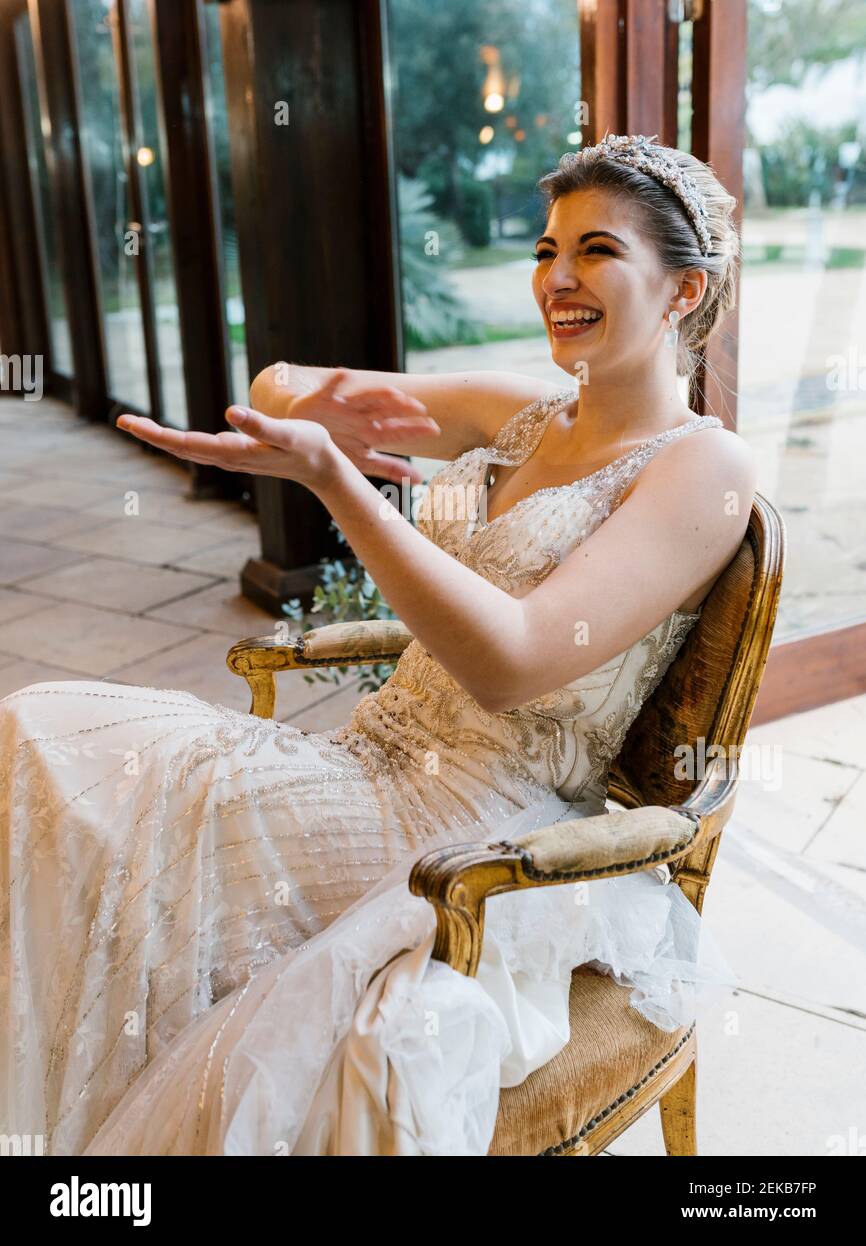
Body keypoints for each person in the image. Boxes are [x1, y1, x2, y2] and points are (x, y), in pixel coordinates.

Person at [0, 134, 755, 1156]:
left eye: (596, 251)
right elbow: (279, 380)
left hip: (474, 821)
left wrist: (337, 485)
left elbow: (513, 658)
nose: (556, 278)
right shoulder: (529, 417)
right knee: (44, 751)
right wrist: (302, 403)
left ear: (681, 292)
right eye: (543, 249)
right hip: (365, 757)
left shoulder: (702, 470)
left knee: (77, 777)